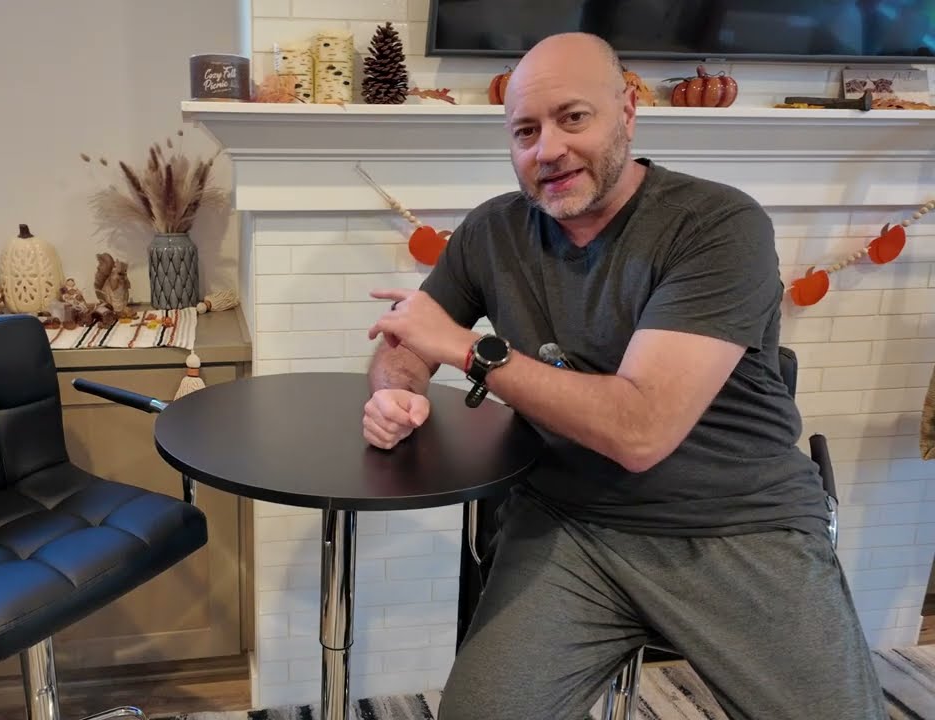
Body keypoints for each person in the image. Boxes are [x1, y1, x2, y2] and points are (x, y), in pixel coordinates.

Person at [362, 31, 886, 720]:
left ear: (628, 112)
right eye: (525, 131)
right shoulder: (492, 232)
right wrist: (394, 392)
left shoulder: (717, 225)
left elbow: (640, 432)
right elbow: (407, 338)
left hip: (739, 527)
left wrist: (473, 352)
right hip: (568, 526)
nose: (548, 149)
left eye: (573, 118)